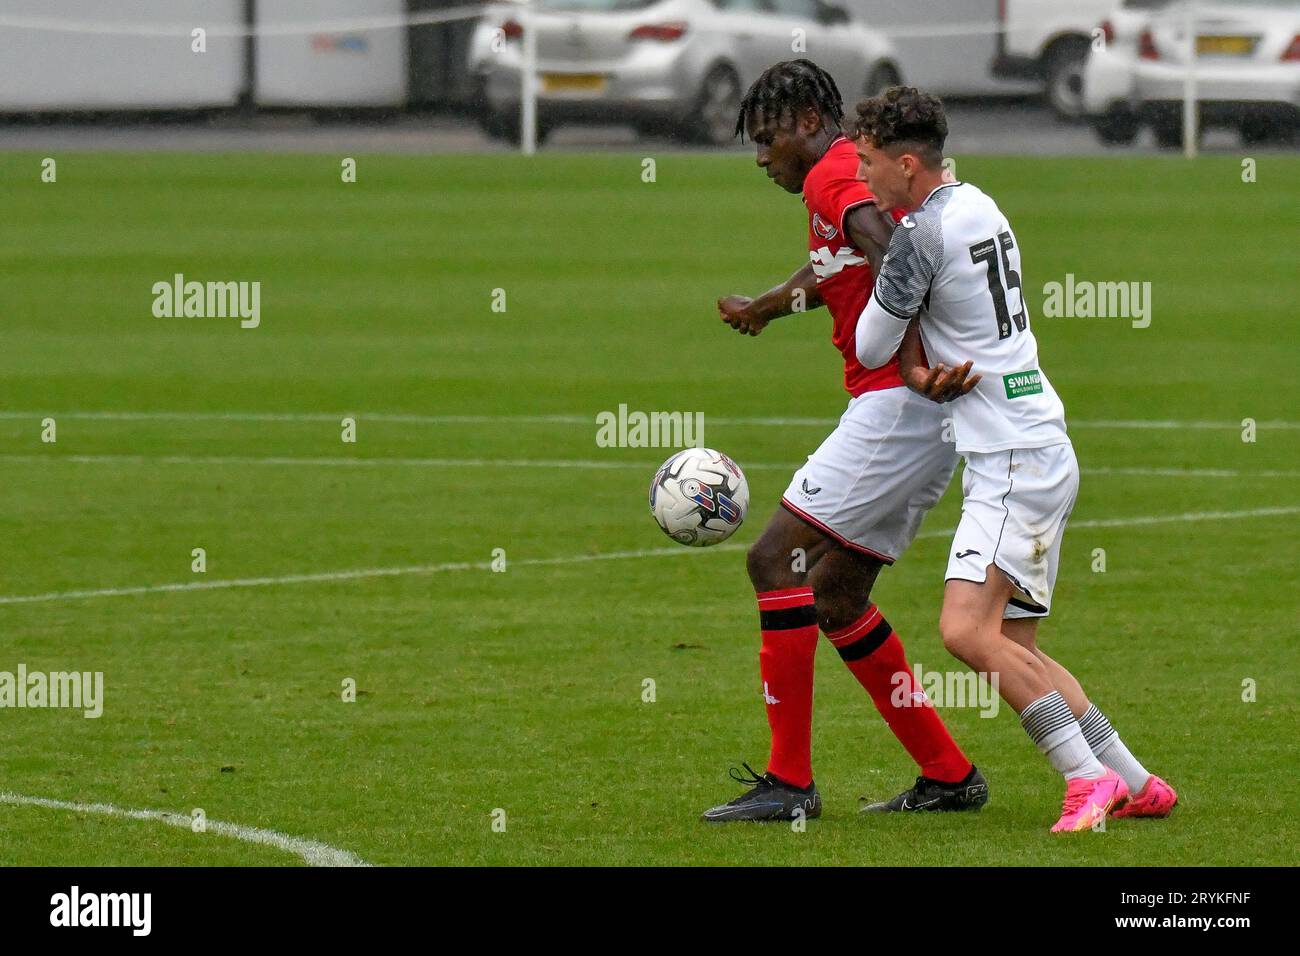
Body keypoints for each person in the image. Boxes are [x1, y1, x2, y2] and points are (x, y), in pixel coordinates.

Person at [853, 86, 1177, 831]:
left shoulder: (920, 237)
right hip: (1042, 443)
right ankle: (1134, 780)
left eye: (869, 164)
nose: (864, 180)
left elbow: (871, 345)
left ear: (906, 164)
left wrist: (893, 303)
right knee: (1015, 644)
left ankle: (1083, 779)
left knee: (966, 632)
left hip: (1006, 460)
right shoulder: (980, 204)